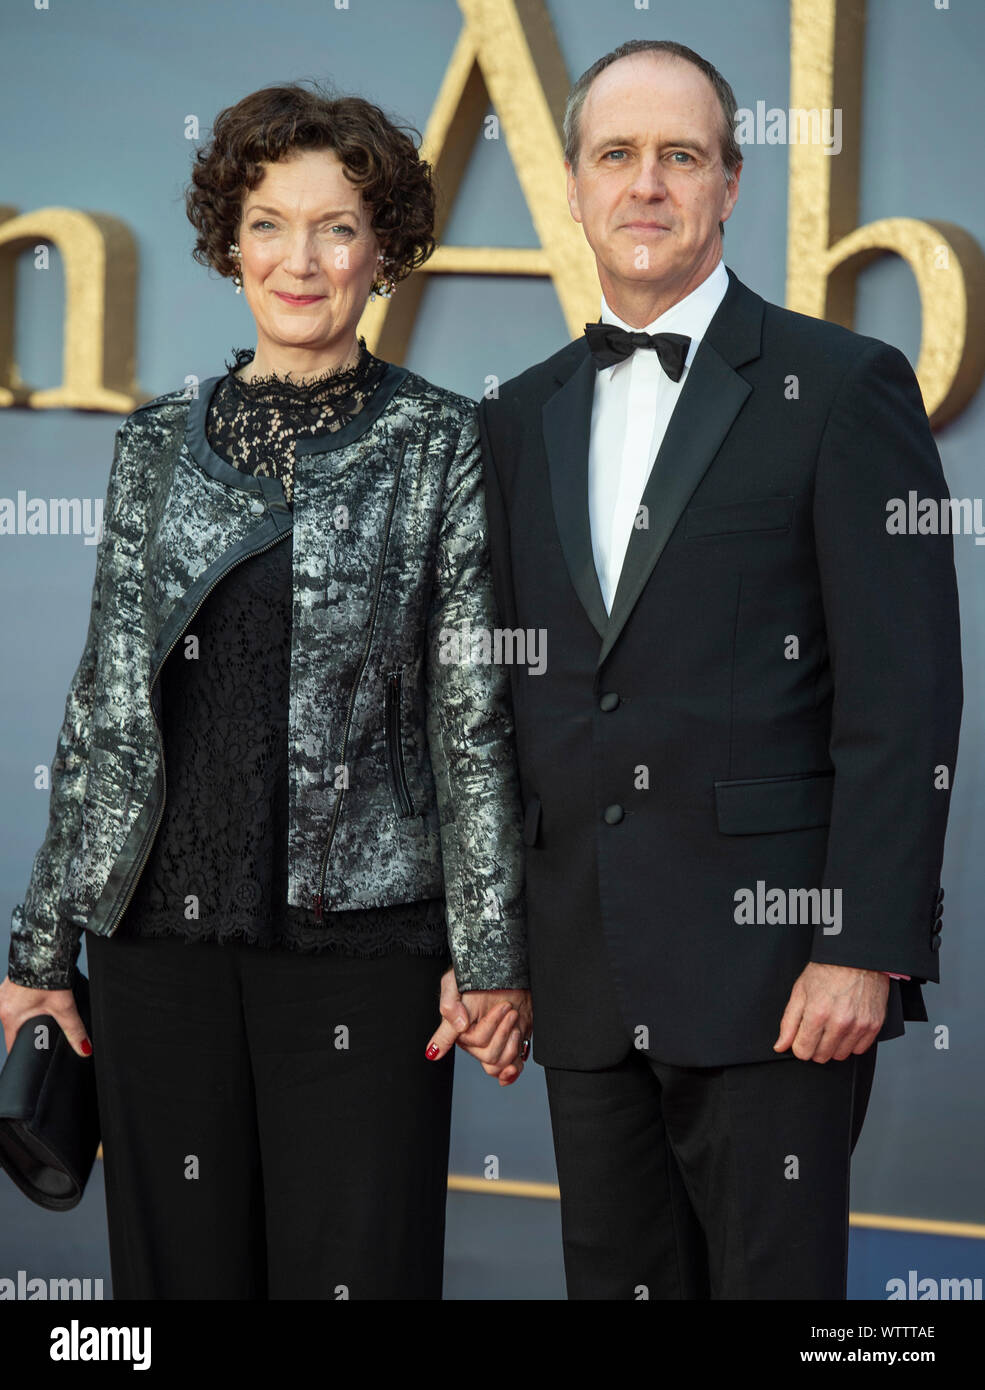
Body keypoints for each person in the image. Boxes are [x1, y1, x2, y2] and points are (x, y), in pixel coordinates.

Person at [0, 80, 532, 1300]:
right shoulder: (153, 440)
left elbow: (472, 720)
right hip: (153, 955)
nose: (300, 260)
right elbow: (102, 709)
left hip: (368, 953)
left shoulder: (442, 443)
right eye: (267, 224)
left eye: (337, 226)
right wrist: (39, 950)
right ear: (228, 243)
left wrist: (491, 955)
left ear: (382, 251)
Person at [477, 39, 961, 1299]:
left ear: (731, 184)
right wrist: (494, 944)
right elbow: (504, 704)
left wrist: (863, 943)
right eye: (616, 156)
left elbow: (904, 696)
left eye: (679, 155)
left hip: (779, 980)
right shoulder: (515, 417)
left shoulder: (844, 387)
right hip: (582, 973)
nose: (646, 185)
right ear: (573, 186)